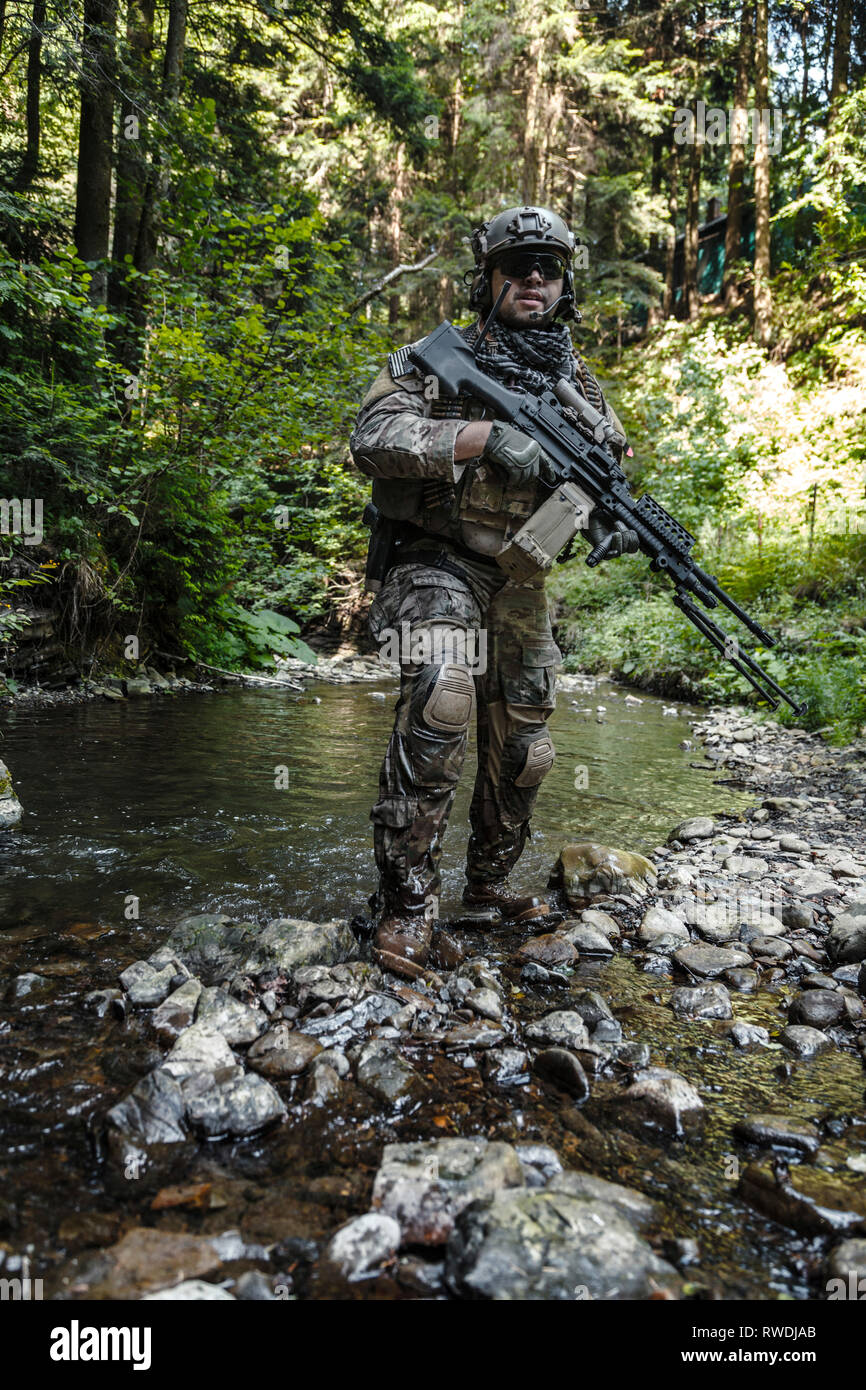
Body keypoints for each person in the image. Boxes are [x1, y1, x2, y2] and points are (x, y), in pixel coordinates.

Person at [349, 204, 636, 980]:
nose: (533, 280)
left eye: (548, 268)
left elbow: (608, 467)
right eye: (517, 267)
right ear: (490, 279)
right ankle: (407, 906)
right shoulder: (432, 358)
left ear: (564, 283)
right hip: (432, 559)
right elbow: (371, 439)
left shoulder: (578, 381)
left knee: (526, 745)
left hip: (520, 576)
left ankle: (484, 888)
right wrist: (479, 437)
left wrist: (605, 516)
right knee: (444, 693)